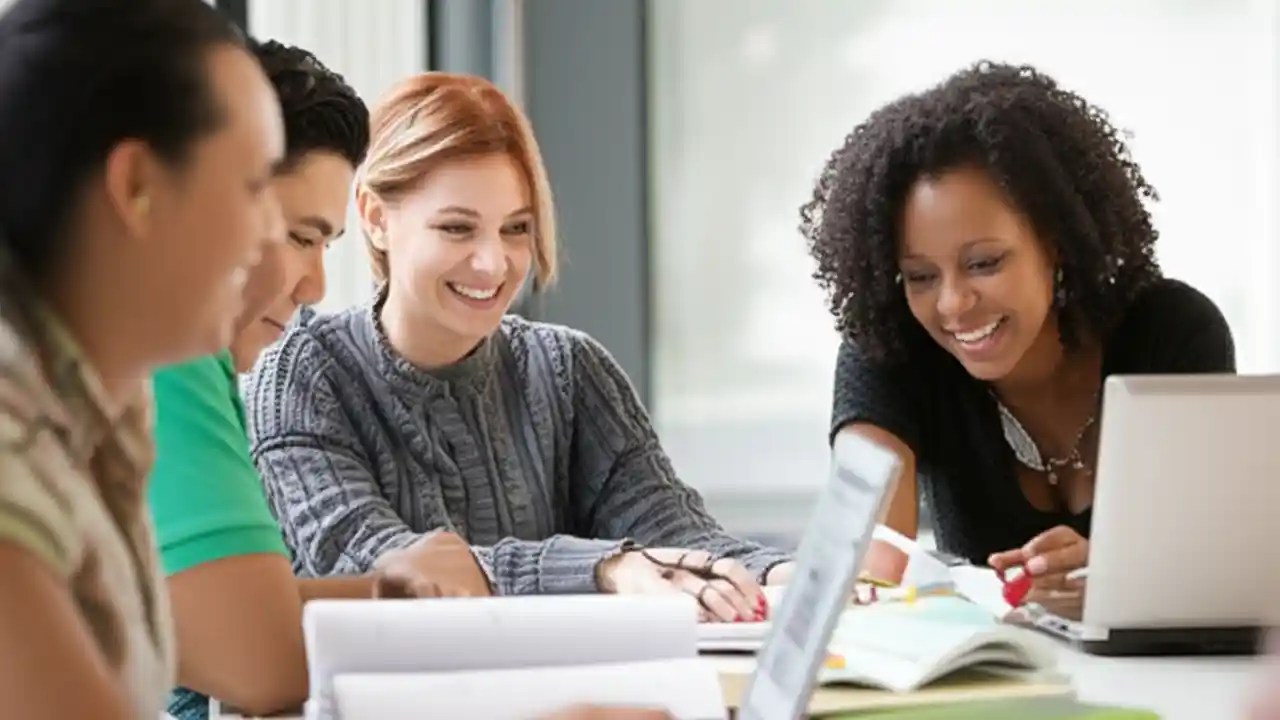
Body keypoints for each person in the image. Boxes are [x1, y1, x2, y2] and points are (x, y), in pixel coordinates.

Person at [245, 72, 793, 622]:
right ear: (375, 217)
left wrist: (781, 575)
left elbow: (671, 532)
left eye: (515, 228)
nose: (493, 263)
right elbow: (379, 569)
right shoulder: (303, 373)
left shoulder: (568, 369)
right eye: (458, 229)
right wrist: (601, 568)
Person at [803, 61, 1234, 613]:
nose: (952, 304)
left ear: (1055, 242)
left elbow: (1211, 569)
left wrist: (1115, 576)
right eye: (921, 276)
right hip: (993, 679)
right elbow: (865, 561)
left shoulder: (1172, 332)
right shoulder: (891, 346)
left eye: (983, 263)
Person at [147, 40, 490, 720]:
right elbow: (255, 657)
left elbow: (227, 614)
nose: (312, 286)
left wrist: (392, 592)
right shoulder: (168, 342)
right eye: (298, 236)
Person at [0, 0, 285, 717]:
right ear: (137, 188)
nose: (271, 240)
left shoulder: (97, 407)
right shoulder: (11, 456)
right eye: (255, 187)